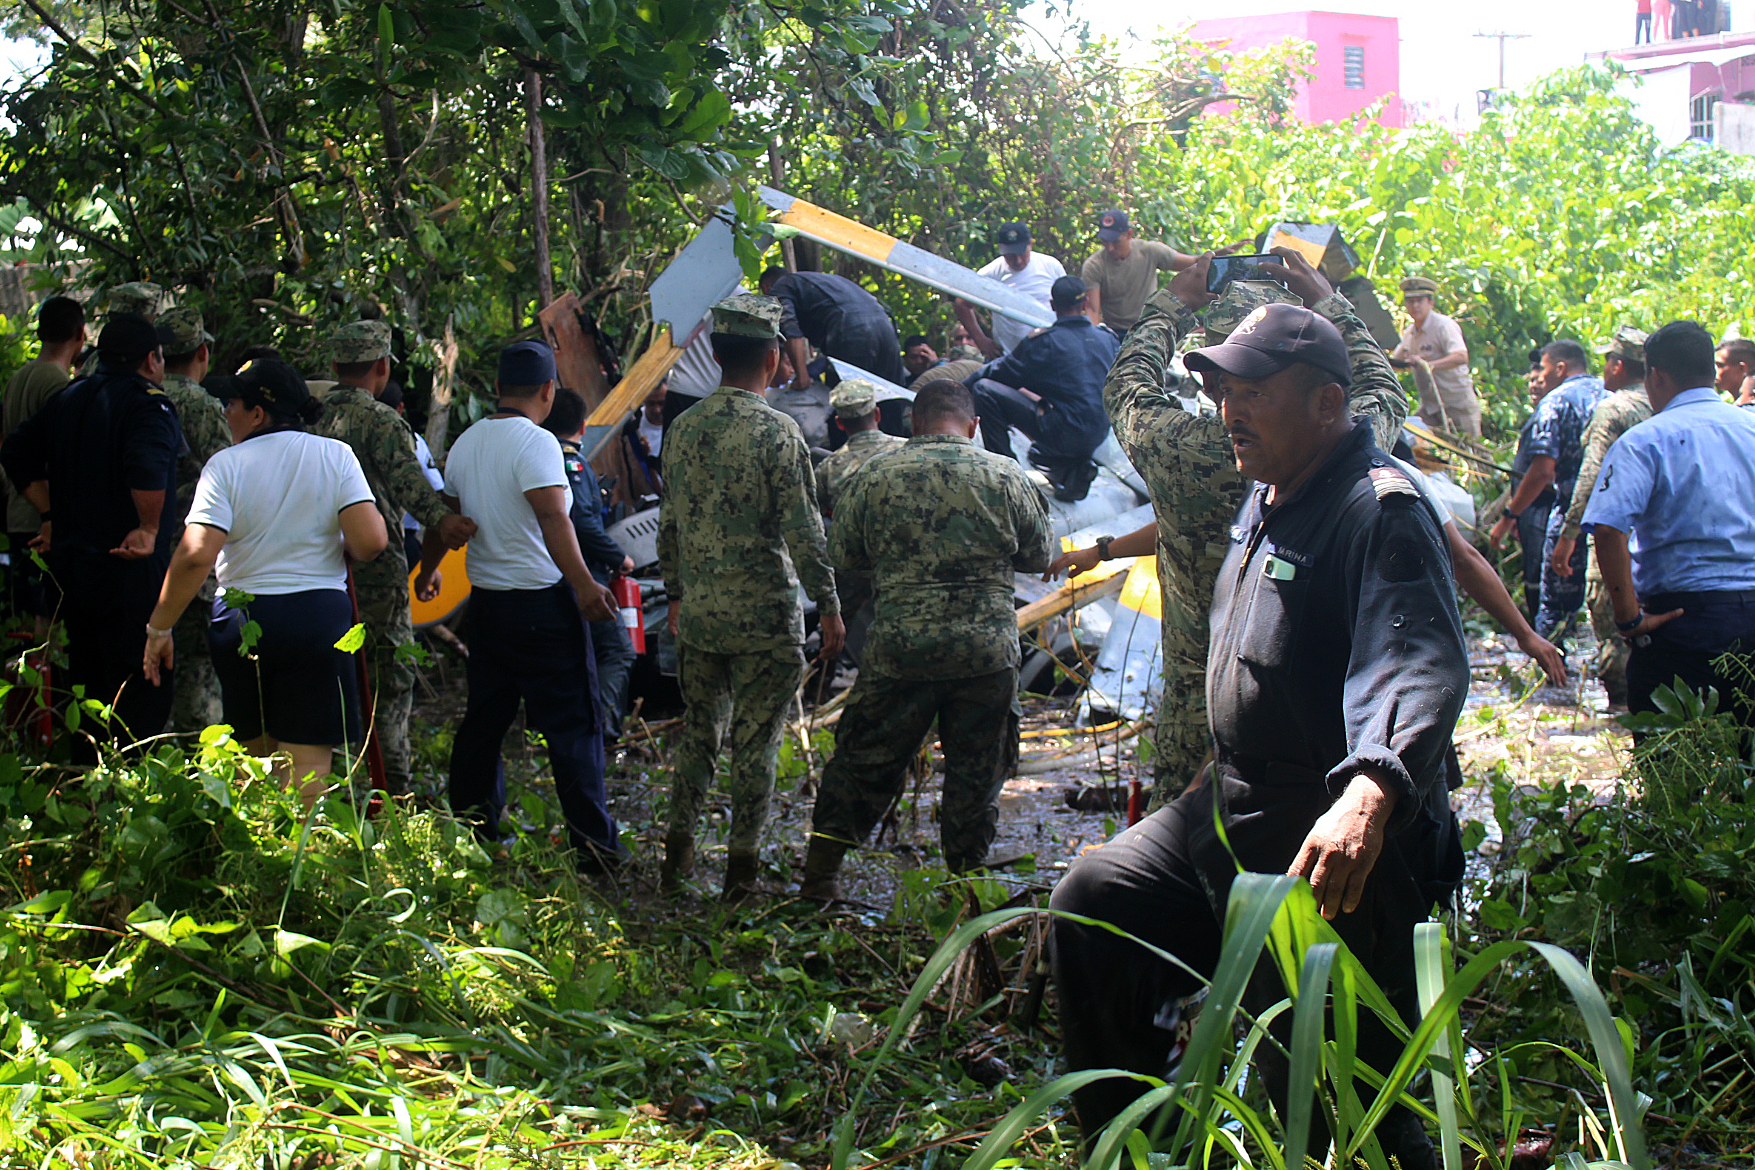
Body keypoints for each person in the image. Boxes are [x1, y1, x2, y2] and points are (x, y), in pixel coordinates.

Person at [1051, 276, 1468, 1170]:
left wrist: (1370, 789)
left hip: (1339, 832)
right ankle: (1143, 1143)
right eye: (1224, 391)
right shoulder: (1268, 484)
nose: (1231, 411)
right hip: (1231, 801)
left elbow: (1416, 655)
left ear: (1326, 401)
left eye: (1254, 394)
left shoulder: (1376, 506)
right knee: (1100, 900)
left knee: (1337, 1081)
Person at [1070, 249, 1407, 809]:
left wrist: (1171, 304)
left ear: (1206, 378)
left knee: (1182, 849)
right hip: (1307, 719)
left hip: (1196, 709)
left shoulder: (1178, 449)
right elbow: (1382, 387)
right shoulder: (1335, 446)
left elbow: (1126, 386)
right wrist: (1328, 299)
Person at [800, 380, 1053, 898]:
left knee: (861, 762)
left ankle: (820, 878)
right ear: (974, 425)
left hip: (900, 651)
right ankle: (964, 888)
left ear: (912, 425)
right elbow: (1038, 557)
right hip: (985, 655)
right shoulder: (1006, 475)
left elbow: (844, 557)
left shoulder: (873, 477)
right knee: (976, 774)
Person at [656, 294, 844, 901]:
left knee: (699, 736)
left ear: (714, 353)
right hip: (765, 615)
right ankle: (741, 873)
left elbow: (669, 523)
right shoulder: (777, 431)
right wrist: (830, 603)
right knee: (756, 745)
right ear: (772, 358)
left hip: (704, 613)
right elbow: (804, 528)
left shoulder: (683, 428)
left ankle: (676, 860)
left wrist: (678, 594)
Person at [417, 341, 625, 872]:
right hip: (543, 608)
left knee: (484, 722)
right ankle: (596, 850)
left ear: (497, 389)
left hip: (488, 609)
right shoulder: (537, 444)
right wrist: (582, 586)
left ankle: (473, 829)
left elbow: (449, 515)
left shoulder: (465, 443)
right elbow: (555, 519)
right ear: (548, 392)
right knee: (574, 726)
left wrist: (429, 567)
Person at [143, 359, 386, 805]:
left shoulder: (225, 466)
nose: (224, 412)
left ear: (258, 414)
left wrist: (160, 627)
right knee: (308, 772)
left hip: (244, 620)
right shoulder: (335, 456)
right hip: (317, 621)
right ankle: (300, 858)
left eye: (231, 403)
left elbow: (197, 555)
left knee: (251, 764)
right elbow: (371, 541)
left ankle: (254, 859)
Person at [0, 313, 182, 752]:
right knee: (141, 686)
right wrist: (148, 526)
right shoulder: (146, 404)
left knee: (86, 684)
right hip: (128, 568)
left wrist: (49, 513)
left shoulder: (71, 397)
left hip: (73, 570)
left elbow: (15, 452)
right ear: (151, 360)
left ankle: (87, 782)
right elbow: (147, 466)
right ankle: (133, 789)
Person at [314, 320, 475, 797]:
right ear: (382, 367)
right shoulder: (380, 420)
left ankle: (335, 789)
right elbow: (412, 485)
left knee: (334, 676)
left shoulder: (307, 417)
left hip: (318, 568)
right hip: (377, 573)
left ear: (334, 365)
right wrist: (442, 524)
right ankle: (394, 794)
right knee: (388, 679)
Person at [1584, 321, 1755, 725]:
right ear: (1712, 373)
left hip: (1683, 624)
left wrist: (1628, 619)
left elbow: (1609, 531)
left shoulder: (1644, 441)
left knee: (1672, 763)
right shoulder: (1750, 429)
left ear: (1655, 376)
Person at [1549, 327, 1651, 710]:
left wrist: (1568, 532)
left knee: (1612, 628)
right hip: (1659, 541)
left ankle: (1621, 712)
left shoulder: (1616, 408)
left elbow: (1592, 475)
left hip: (1615, 535)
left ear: (1619, 365)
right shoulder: (1665, 402)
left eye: (1608, 359)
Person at [1488, 340, 1605, 640]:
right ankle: (1590, 674)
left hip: (1568, 517)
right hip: (1611, 519)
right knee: (1600, 606)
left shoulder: (1557, 402)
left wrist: (1509, 516)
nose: (1539, 375)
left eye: (1543, 367)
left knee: (1554, 606)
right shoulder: (1609, 394)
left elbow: (1542, 470)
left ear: (1560, 368)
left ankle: (1552, 673)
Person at [965, 275, 1118, 501]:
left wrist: (954, 391)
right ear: (1085, 303)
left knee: (983, 389)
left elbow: (997, 373)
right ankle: (1071, 468)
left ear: (1053, 305)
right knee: (1048, 432)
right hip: (1100, 433)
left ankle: (1006, 475)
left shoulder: (1044, 342)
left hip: (1064, 431)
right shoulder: (1109, 340)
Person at [543, 385, 638, 743]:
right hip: (585, 576)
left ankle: (571, 730)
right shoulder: (573, 463)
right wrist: (619, 557)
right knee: (617, 652)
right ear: (583, 426)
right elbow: (581, 523)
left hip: (551, 577)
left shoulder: (541, 456)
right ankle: (602, 732)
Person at [153, 308, 232, 733]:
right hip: (195, 554)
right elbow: (227, 474)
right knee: (198, 672)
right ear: (202, 352)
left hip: (141, 554)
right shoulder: (202, 406)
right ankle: (197, 769)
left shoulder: (139, 394)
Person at [2, 295, 84, 626]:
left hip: (19, 512)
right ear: (80, 334)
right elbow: (58, 454)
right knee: (47, 625)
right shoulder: (56, 383)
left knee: (28, 621)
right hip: (43, 519)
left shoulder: (20, 376)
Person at [758, 267, 908, 389]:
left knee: (845, 402)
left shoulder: (780, 287)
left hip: (852, 329)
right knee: (891, 394)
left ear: (766, 288)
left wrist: (802, 378)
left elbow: (791, 332)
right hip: (885, 326)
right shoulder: (820, 279)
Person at [953, 221, 1067, 359]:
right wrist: (981, 340)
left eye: (1021, 253)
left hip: (1051, 352)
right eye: (1011, 255)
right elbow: (962, 303)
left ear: (1030, 244)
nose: (1017, 260)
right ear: (1001, 249)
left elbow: (1068, 303)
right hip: (1011, 357)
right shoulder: (991, 274)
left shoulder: (1050, 266)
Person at [1079, 209, 1198, 335]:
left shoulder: (1149, 251)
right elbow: (1093, 310)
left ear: (1129, 234)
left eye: (1115, 242)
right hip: (1115, 331)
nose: (1110, 248)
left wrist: (1219, 255)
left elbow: (1194, 263)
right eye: (1105, 241)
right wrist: (1093, 338)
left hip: (1148, 328)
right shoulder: (1095, 265)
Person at [1389, 276, 1482, 436]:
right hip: (1431, 408)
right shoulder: (1410, 334)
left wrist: (1430, 365)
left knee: (1472, 451)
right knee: (1410, 435)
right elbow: (1395, 364)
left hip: (1458, 404)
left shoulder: (1444, 326)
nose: (1415, 306)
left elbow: (1461, 356)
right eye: (1411, 301)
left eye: (1419, 301)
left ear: (1430, 303)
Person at [1502, 351, 1556, 621]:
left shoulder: (1551, 419)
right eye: (1531, 380)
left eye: (1541, 380)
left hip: (1542, 507)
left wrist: (1511, 513)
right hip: (1528, 509)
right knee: (1533, 568)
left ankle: (1547, 631)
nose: (1534, 385)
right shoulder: (1536, 419)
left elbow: (1542, 472)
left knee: (1540, 570)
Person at [375, 380, 445, 568]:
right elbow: (437, 491)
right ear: (400, 408)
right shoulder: (413, 441)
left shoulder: (349, 437)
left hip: (361, 535)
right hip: (402, 536)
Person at [815, 380, 904, 517]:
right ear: (877, 415)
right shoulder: (908, 448)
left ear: (839, 423)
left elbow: (814, 513)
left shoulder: (828, 468)